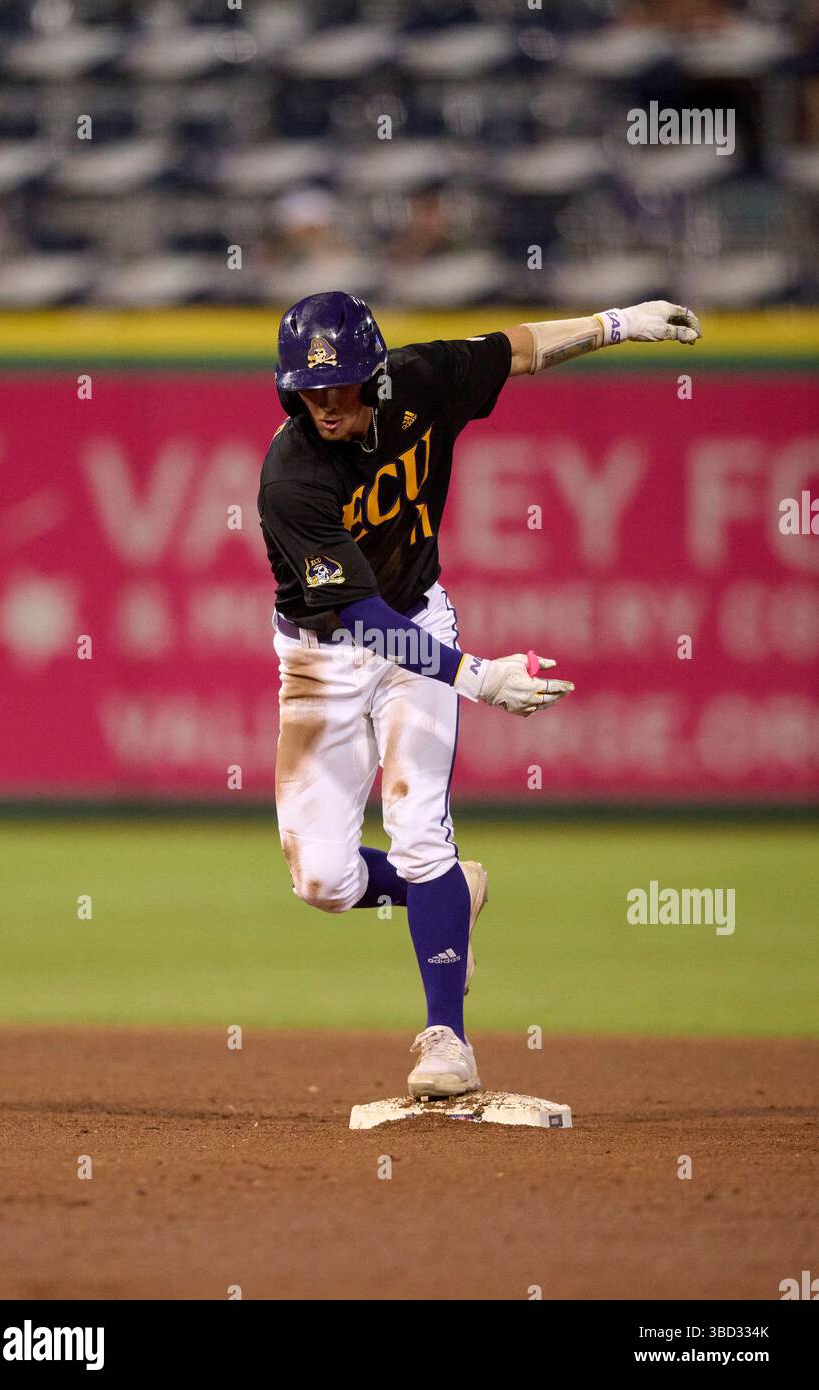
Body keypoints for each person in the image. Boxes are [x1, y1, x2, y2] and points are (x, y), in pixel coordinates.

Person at [257, 291, 701, 1098]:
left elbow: (519, 349)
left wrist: (615, 325)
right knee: (322, 880)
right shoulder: (291, 478)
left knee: (419, 826)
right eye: (308, 388)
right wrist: (476, 676)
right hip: (322, 655)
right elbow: (355, 613)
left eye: (341, 383)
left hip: (416, 615)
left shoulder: (423, 378)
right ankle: (451, 893)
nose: (325, 401)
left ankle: (446, 1041)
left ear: (374, 373)